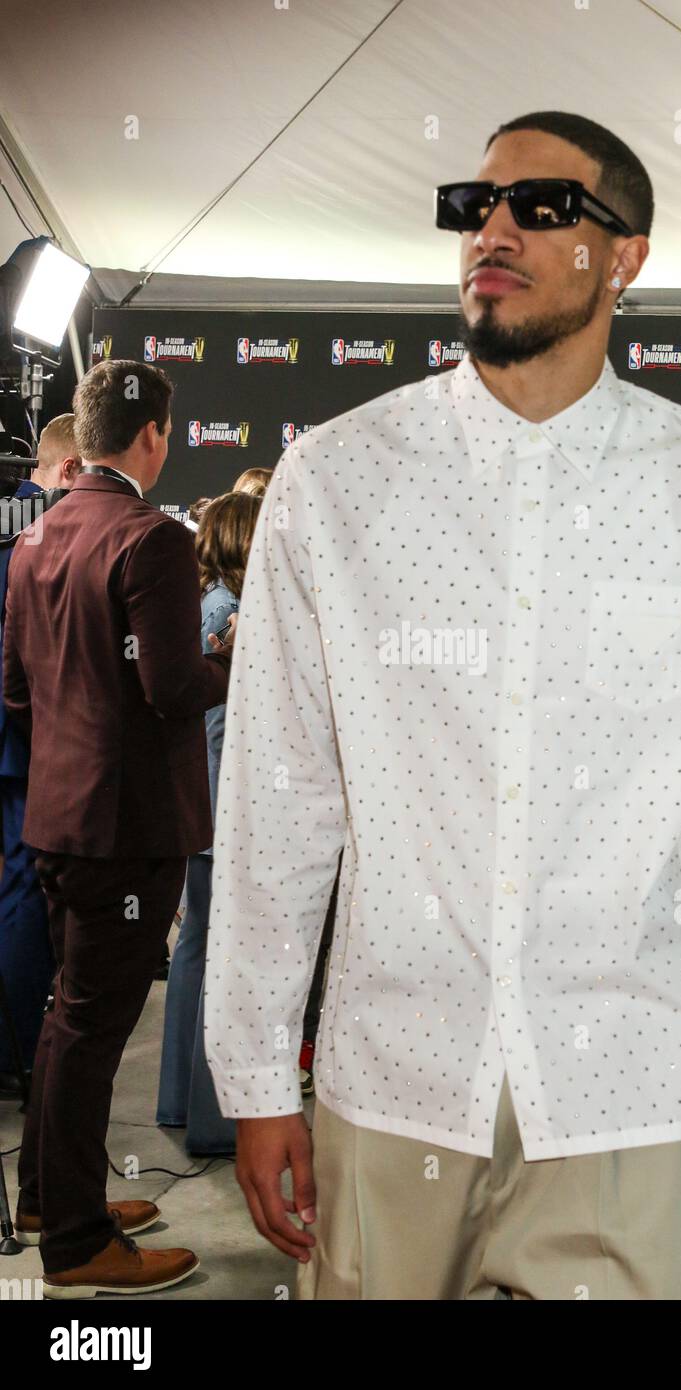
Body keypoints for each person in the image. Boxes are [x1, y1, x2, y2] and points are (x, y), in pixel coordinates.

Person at [205, 110, 681, 1300]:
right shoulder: (334, 483)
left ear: (624, 256)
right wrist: (254, 1074)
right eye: (474, 206)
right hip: (390, 1083)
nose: (491, 229)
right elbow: (280, 799)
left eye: (540, 206)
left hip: (620, 1094)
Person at [4, 359, 235, 1298]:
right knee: (91, 1032)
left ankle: (50, 1201)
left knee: (70, 1022)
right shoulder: (149, 538)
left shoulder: (38, 537)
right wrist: (236, 659)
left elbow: (17, 691)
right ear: (153, 436)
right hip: (126, 827)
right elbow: (173, 689)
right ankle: (75, 1242)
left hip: (56, 816)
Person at [157, 491, 261, 1154]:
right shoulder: (229, 614)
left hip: (201, 805)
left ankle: (180, 1102)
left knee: (196, 947)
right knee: (215, 954)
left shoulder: (206, 607)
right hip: (222, 811)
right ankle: (213, 1120)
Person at [0, 415, 81, 1091]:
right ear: (68, 468)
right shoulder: (37, 534)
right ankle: (26, 1054)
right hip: (19, 741)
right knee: (26, 891)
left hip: (16, 736)